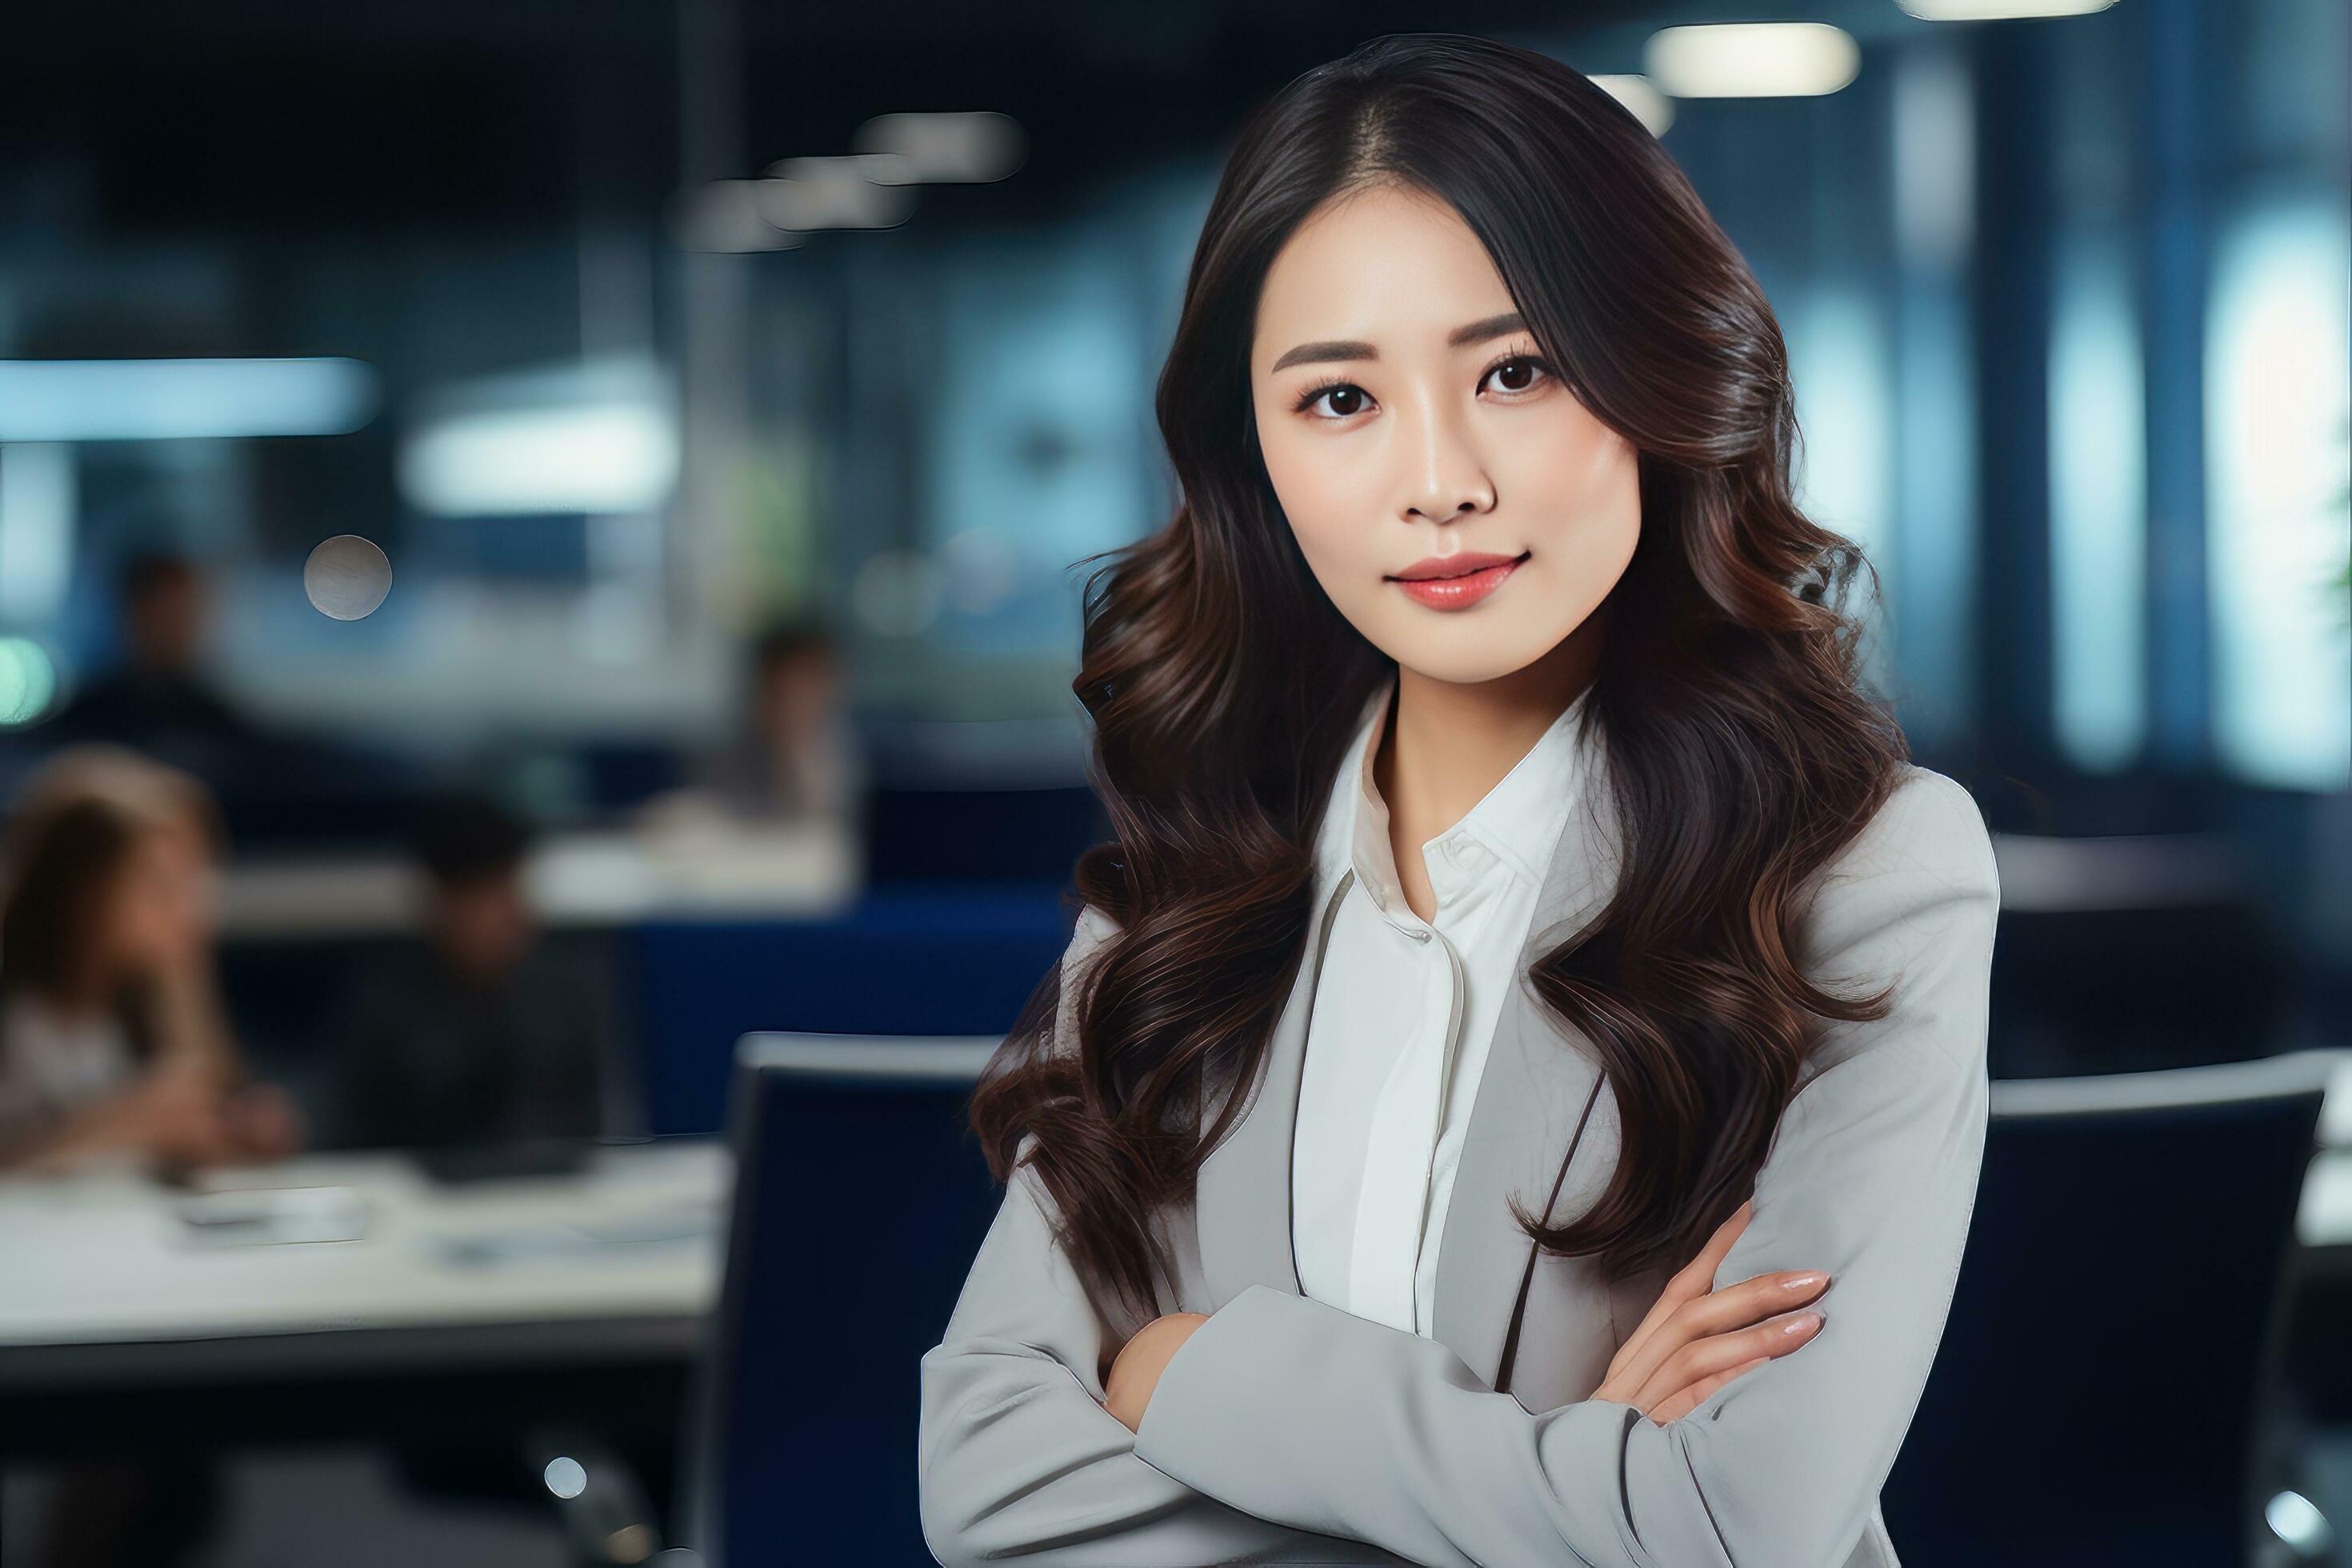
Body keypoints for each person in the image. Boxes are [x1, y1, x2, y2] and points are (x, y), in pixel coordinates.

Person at [919, 34, 1998, 1568]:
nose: (1439, 481)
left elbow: (1734, 1526)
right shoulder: (1184, 906)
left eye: (1516, 371)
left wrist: (1192, 1375)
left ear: (1658, 376)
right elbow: (987, 1492)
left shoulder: (1862, 878)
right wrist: (1569, 1476)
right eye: (1341, 400)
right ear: (1259, 459)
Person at [0, 746, 302, 1173]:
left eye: (195, 883)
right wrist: (129, 1122)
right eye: (162, 887)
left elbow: (200, 1100)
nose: (190, 910)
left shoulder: (136, 999)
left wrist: (233, 1129)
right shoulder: (20, 1012)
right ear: (84, 894)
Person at [330, 790, 613, 1151]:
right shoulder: (387, 1006)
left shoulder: (562, 996)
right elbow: (362, 1139)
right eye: (492, 894)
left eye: (517, 888)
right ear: (443, 903)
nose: (515, 913)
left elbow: (584, 1133)